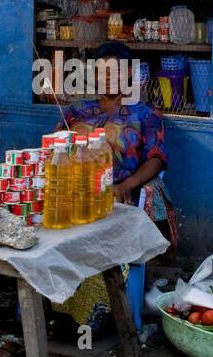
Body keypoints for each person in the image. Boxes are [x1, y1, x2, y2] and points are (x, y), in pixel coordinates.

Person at [51, 42, 174, 331]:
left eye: (114, 70)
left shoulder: (144, 114)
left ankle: (98, 313)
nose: (107, 76)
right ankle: (59, 307)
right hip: (75, 193)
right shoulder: (76, 111)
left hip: (117, 194)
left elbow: (156, 159)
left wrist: (127, 185)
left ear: (129, 73)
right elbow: (55, 149)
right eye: (101, 70)